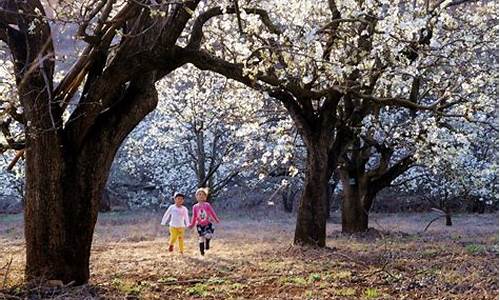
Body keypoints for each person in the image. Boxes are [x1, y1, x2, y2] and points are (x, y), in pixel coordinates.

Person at [189, 187, 220, 256]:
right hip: (199, 225)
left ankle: (207, 242)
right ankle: (202, 252)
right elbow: (194, 216)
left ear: (205, 197)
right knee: (201, 237)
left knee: (208, 235)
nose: (201, 196)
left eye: (203, 195)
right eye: (199, 194)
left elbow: (212, 212)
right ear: (196, 197)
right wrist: (192, 224)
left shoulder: (207, 205)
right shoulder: (195, 207)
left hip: (207, 224)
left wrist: (216, 219)